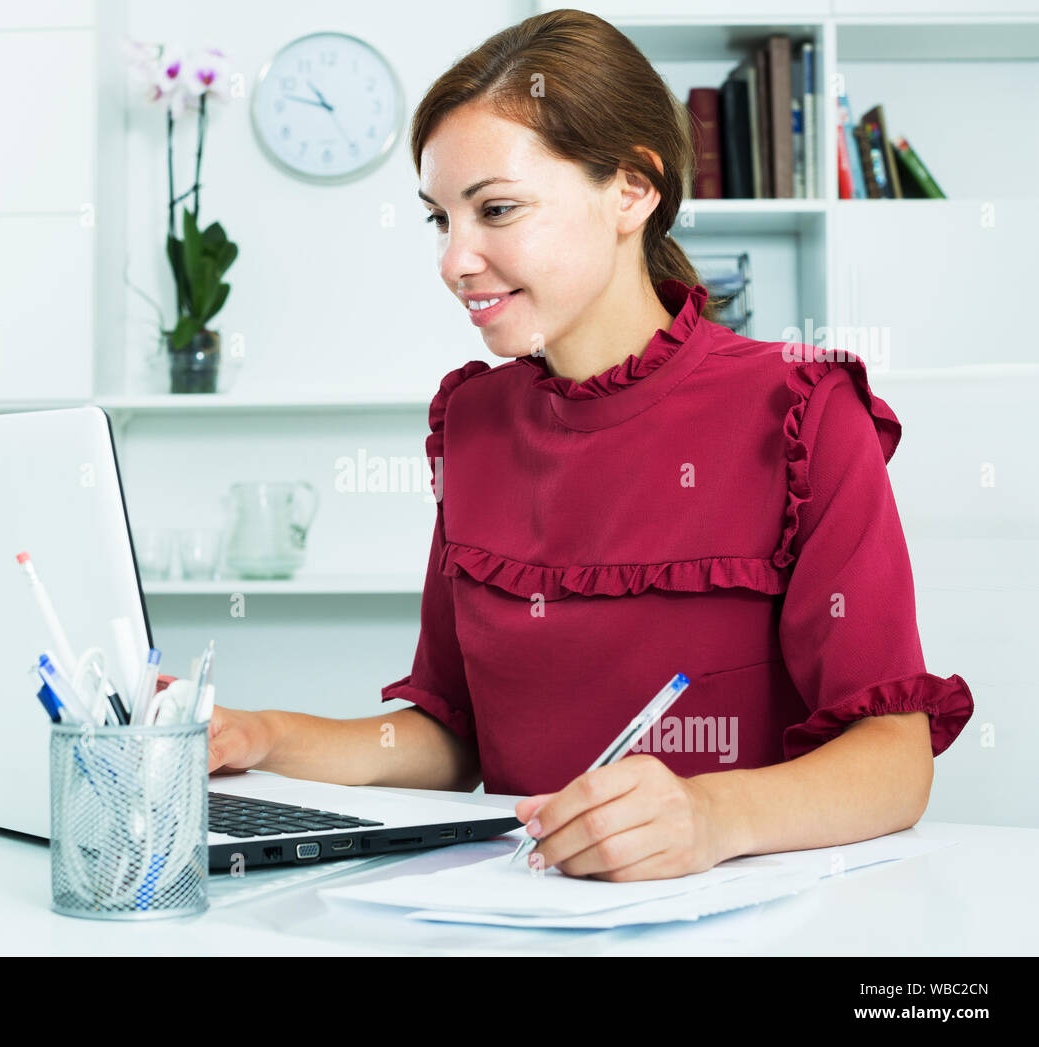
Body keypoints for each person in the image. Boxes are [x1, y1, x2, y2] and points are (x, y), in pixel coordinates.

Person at [204, 9, 973, 881]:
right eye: (439, 220)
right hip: (524, 916)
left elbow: (895, 757)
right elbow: (450, 735)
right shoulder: (473, 422)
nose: (455, 260)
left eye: (497, 209)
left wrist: (712, 814)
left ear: (633, 191)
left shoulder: (800, 407)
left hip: (741, 916)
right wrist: (260, 735)